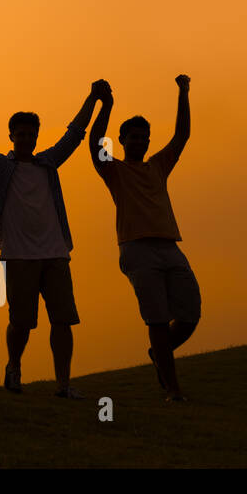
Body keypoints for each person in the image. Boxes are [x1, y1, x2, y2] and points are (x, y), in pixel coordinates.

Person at [0, 73, 107, 398]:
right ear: (11, 136)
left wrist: (93, 98)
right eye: (21, 134)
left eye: (32, 134)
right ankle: (13, 366)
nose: (27, 138)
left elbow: (74, 134)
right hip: (18, 255)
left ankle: (63, 384)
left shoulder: (48, 163)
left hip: (55, 252)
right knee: (21, 322)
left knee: (63, 319)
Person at [88, 75, 198, 402]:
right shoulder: (114, 170)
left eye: (143, 137)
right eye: (133, 137)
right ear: (122, 140)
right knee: (158, 320)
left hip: (170, 247)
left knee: (190, 314)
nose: (139, 141)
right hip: (137, 250)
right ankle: (173, 390)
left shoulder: (158, 166)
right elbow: (95, 142)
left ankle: (158, 354)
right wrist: (105, 105)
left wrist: (182, 92)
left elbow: (182, 135)